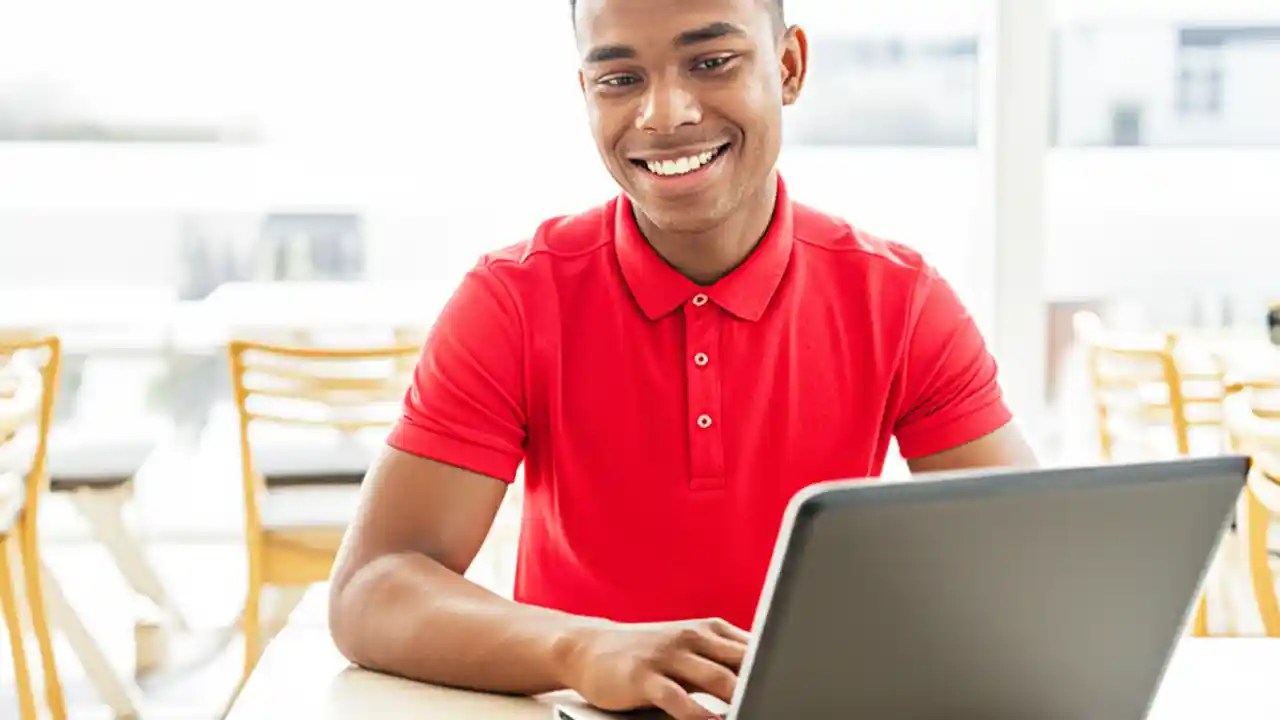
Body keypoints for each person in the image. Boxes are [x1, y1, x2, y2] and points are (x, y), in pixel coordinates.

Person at [328, 0, 1037, 717]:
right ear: (585, 94)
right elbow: (373, 587)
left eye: (711, 63)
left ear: (788, 67)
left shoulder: (901, 298)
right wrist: (583, 647)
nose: (663, 114)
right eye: (620, 79)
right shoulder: (512, 299)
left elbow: (1033, 564)